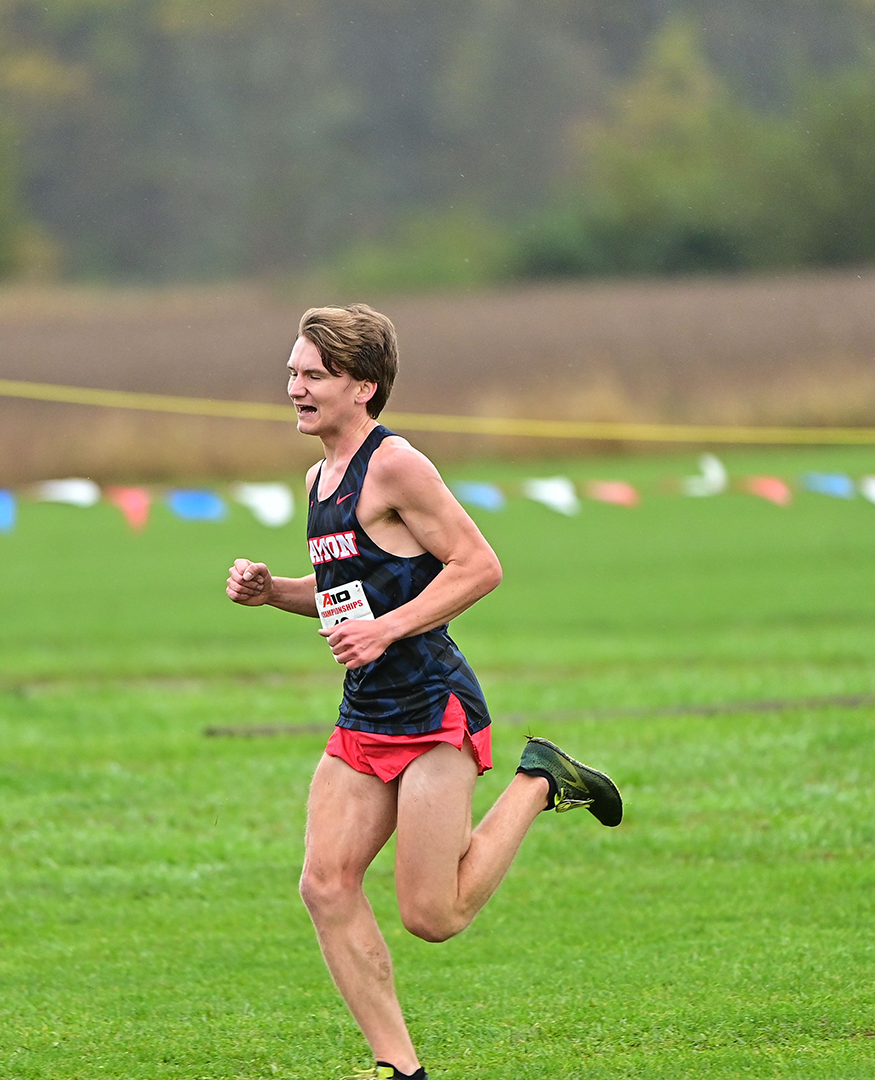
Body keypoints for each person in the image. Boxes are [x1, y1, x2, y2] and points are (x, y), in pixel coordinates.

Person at [226, 304, 624, 1078]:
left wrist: (385, 632)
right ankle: (398, 1069)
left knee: (432, 917)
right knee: (326, 884)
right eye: (292, 373)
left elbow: (479, 566)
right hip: (365, 710)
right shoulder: (318, 477)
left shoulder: (397, 464)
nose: (295, 388)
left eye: (313, 375)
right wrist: (274, 591)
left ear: (362, 388)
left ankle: (542, 779)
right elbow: (350, 590)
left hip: (433, 707)